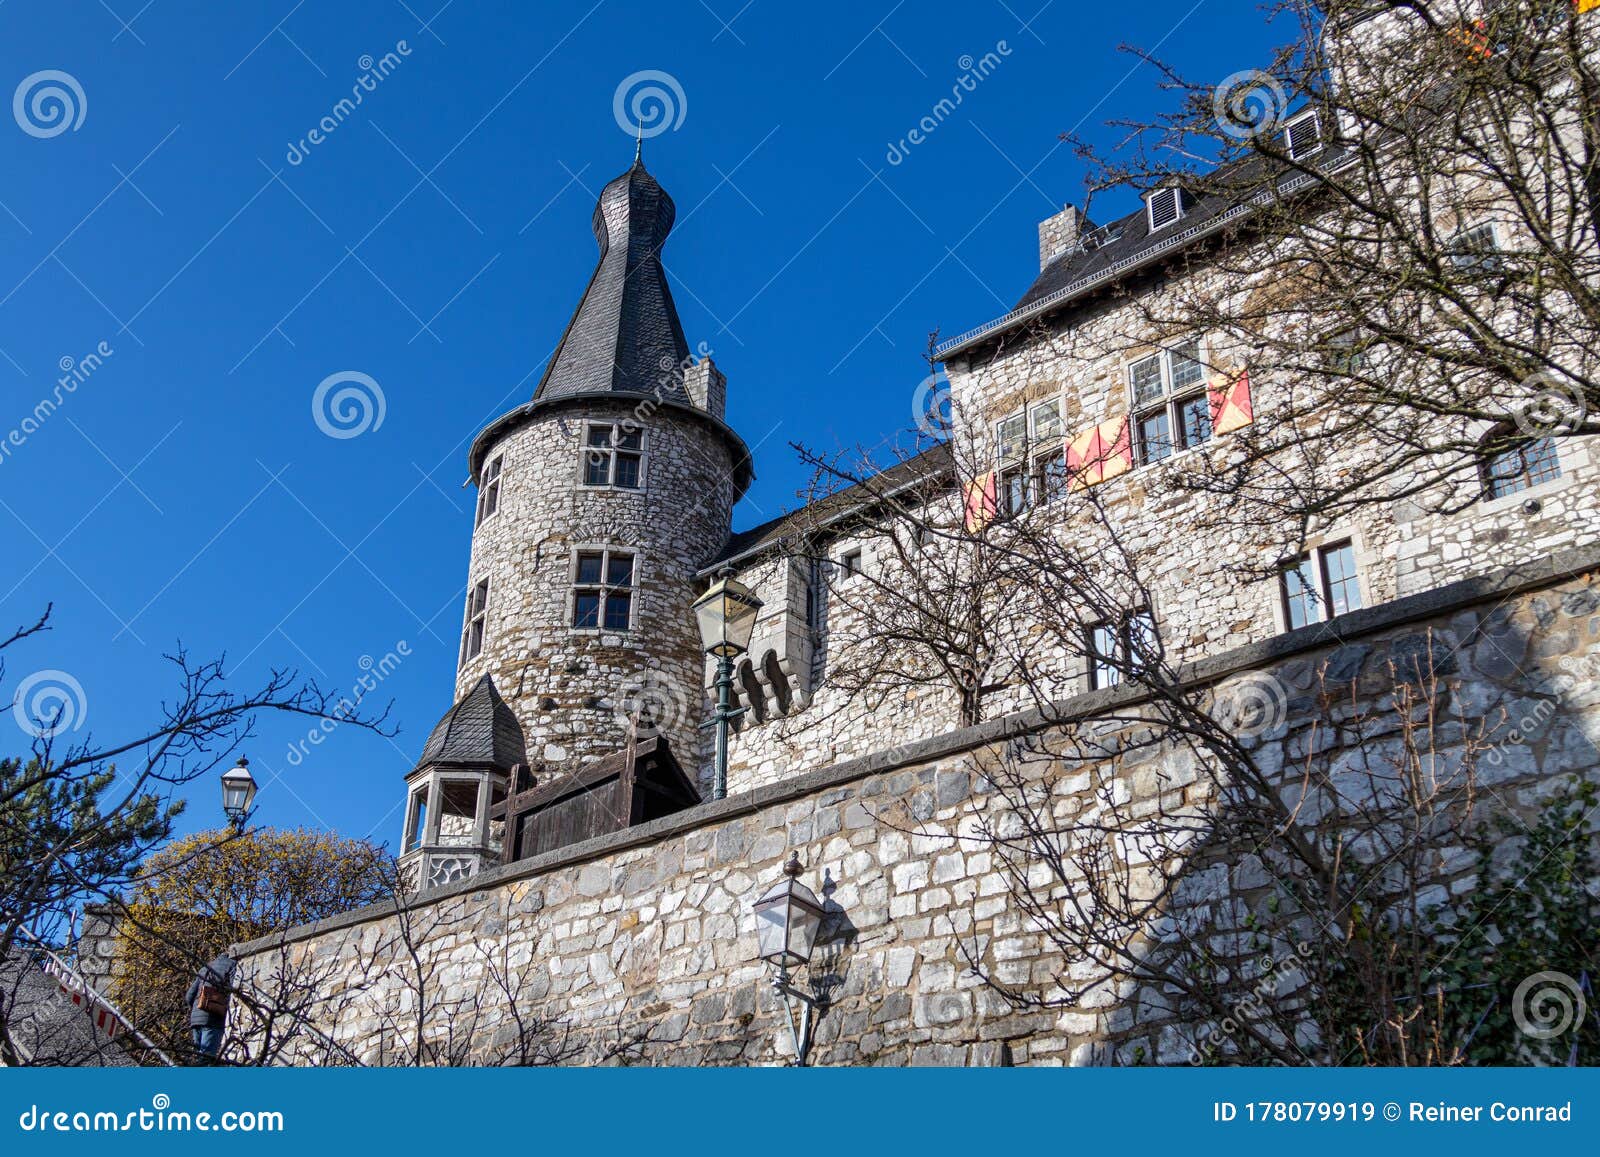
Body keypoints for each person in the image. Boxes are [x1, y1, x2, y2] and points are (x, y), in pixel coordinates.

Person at [184, 952, 236, 1062]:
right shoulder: (232, 965)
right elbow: (234, 990)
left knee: (199, 1056)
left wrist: (196, 1009)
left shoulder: (205, 967)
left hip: (195, 1019)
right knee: (207, 1058)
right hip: (213, 1018)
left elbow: (189, 996)